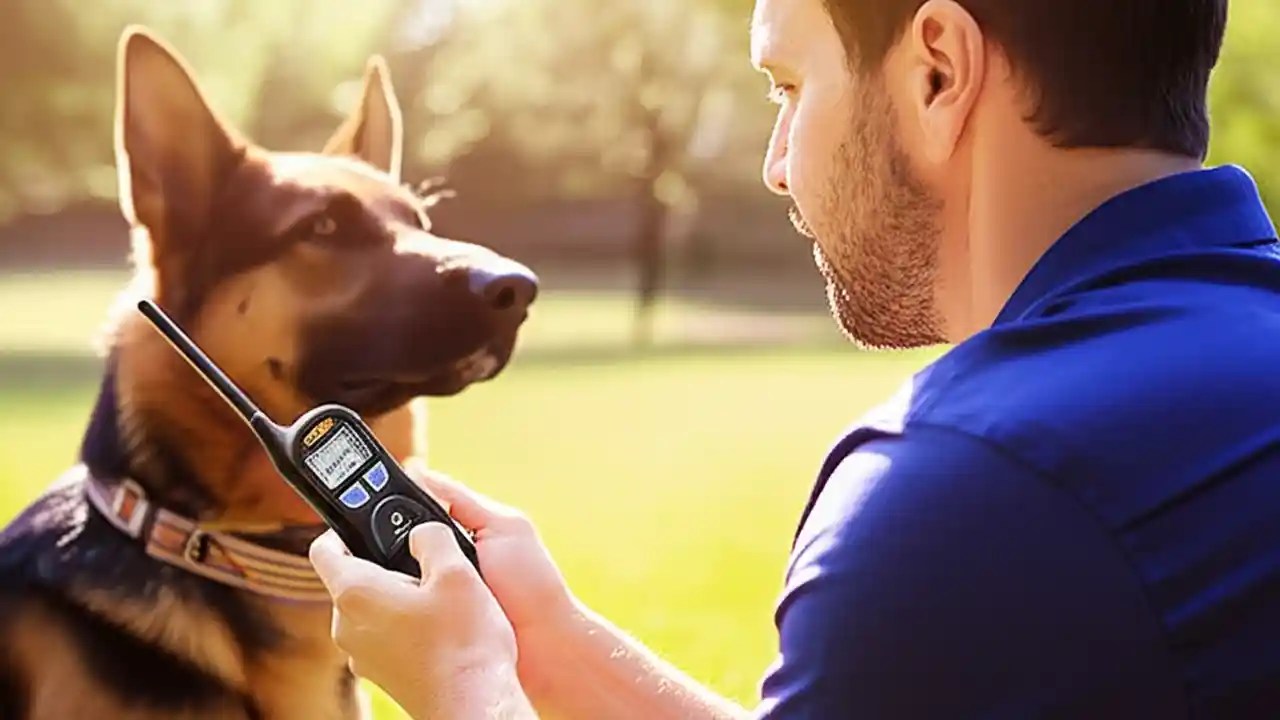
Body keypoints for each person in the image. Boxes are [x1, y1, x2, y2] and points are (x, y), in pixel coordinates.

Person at [309, 0, 1280, 717]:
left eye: (788, 87)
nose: (776, 161)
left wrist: (460, 685)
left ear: (935, 71)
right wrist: (542, 647)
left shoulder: (980, 482)